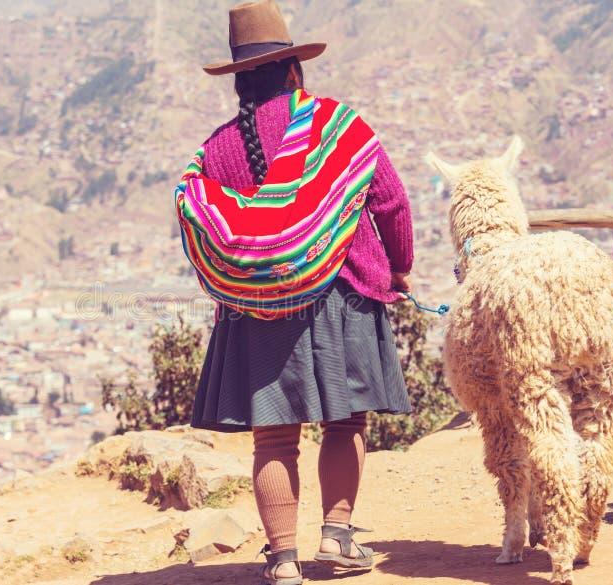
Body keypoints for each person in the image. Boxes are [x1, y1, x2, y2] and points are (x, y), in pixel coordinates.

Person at [179, 1, 414, 583]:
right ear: (293, 70)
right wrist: (400, 269)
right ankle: (336, 536)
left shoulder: (215, 149)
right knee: (345, 422)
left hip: (258, 308)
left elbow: (205, 220)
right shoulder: (339, 126)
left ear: (239, 79)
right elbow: (391, 202)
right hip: (344, 293)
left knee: (274, 438)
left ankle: (283, 560)